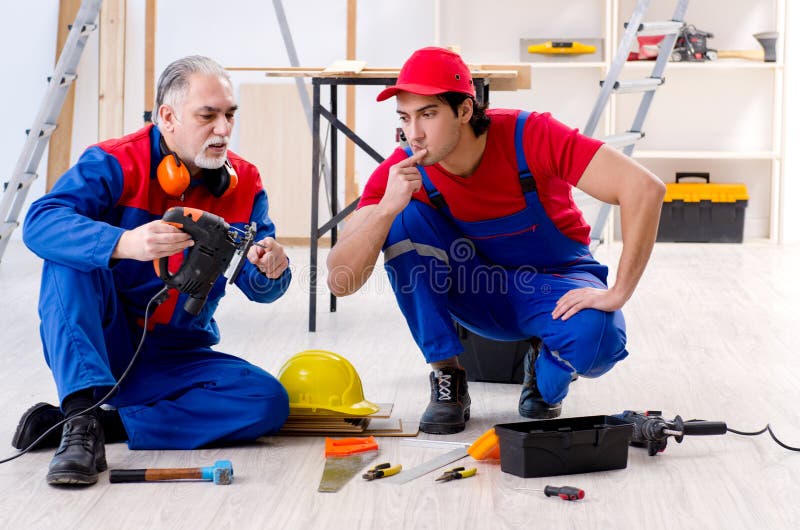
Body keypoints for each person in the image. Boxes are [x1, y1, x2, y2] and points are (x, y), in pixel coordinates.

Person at [326, 47, 665, 435]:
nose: (414, 133)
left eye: (429, 114)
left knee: (599, 339)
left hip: (555, 285)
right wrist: (385, 209)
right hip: (477, 292)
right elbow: (341, 281)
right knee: (403, 217)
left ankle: (546, 372)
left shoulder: (530, 135)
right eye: (405, 117)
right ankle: (447, 377)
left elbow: (644, 189)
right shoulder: (402, 169)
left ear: (465, 110)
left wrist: (618, 292)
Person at [14, 56, 292, 485]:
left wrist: (271, 268)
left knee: (266, 401)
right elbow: (40, 222)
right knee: (67, 260)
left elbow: (261, 289)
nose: (224, 129)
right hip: (106, 342)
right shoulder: (112, 162)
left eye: (229, 115)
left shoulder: (245, 184)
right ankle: (81, 416)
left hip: (175, 353)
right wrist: (124, 244)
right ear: (168, 116)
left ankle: (106, 426)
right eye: (208, 115)